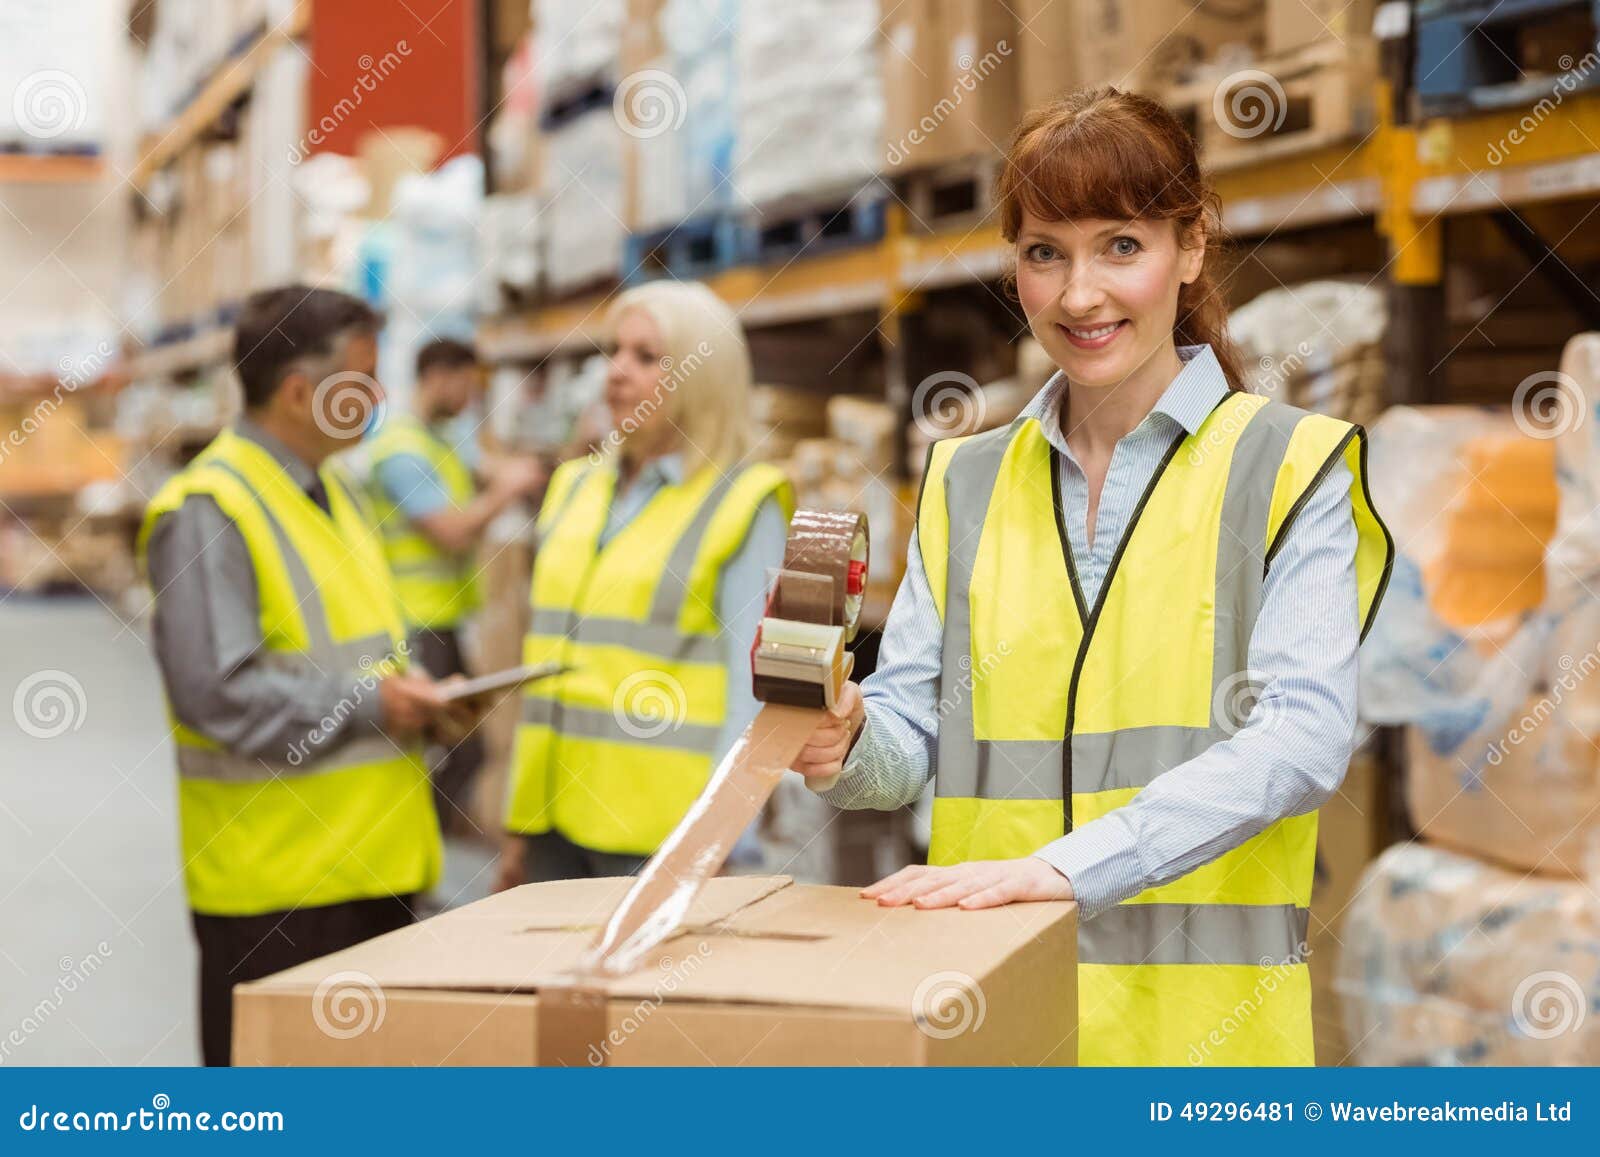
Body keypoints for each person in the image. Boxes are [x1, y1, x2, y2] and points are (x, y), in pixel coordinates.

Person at [791, 89, 1394, 1066]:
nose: (1078, 296)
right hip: (998, 1026)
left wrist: (1060, 870)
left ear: (1190, 246)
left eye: (1120, 244)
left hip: (1197, 1047)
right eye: (1044, 252)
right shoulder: (964, 478)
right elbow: (913, 732)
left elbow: (1302, 736)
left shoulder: (1290, 466)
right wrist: (847, 739)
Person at [140, 286, 478, 1066]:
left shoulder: (338, 493)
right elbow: (214, 692)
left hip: (376, 869)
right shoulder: (209, 509)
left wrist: (421, 701)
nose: (384, 397)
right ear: (300, 392)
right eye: (365, 377)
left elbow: (355, 652)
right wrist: (376, 703)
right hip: (279, 896)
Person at [496, 280, 794, 887]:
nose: (615, 373)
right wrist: (518, 831)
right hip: (550, 819)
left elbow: (754, 690)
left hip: (661, 833)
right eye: (613, 351)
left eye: (645, 357)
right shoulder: (573, 486)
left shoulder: (744, 502)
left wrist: (721, 833)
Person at [366, 338, 546, 830]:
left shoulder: (437, 440)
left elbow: (479, 470)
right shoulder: (402, 452)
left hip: (441, 621)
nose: (471, 399)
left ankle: (426, 850)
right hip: (414, 625)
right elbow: (451, 532)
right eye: (468, 385)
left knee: (462, 744)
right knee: (443, 749)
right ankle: (415, 852)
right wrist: (506, 491)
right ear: (440, 378)